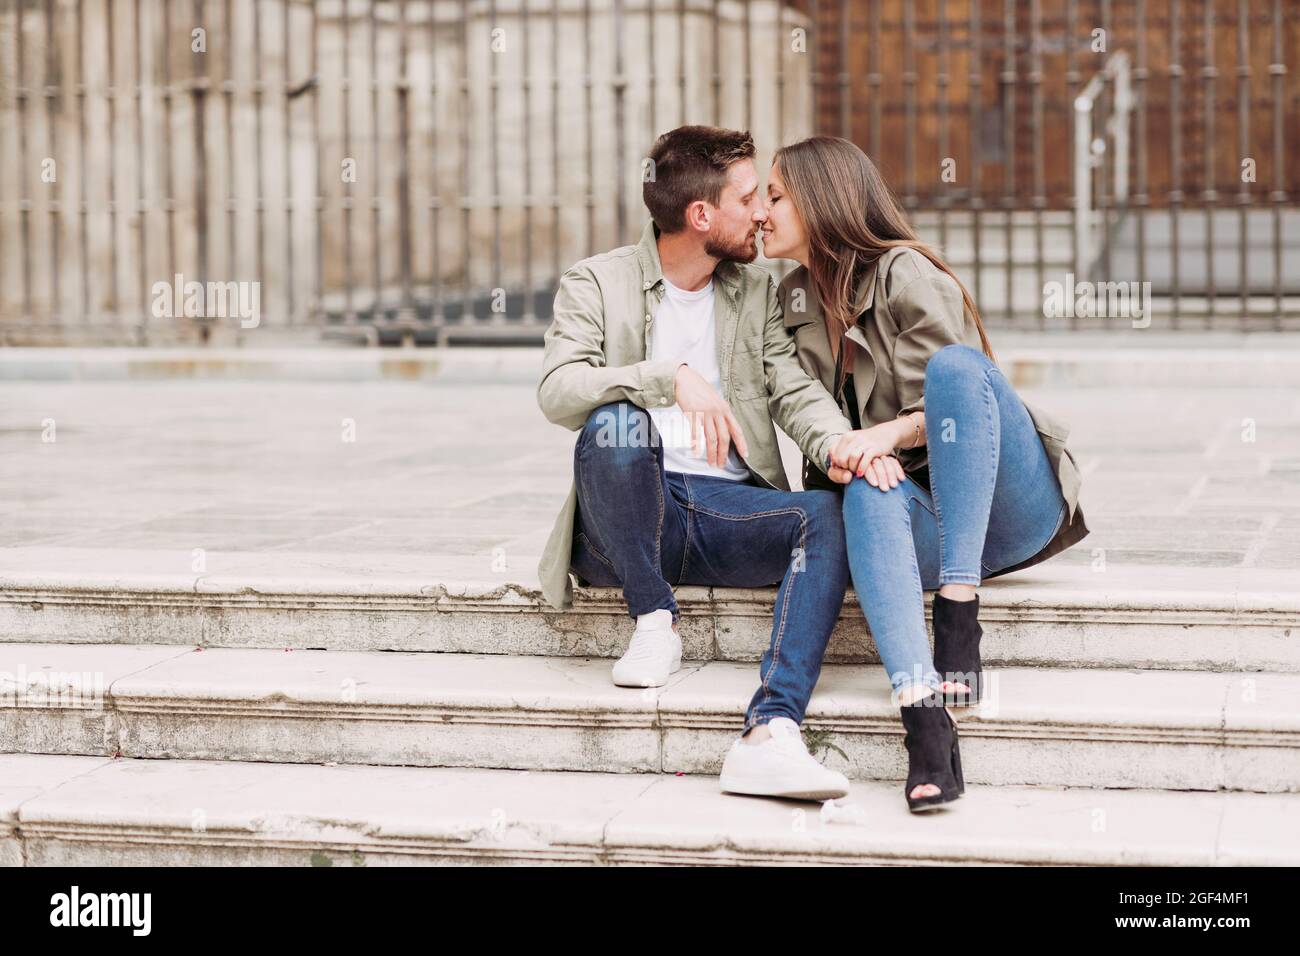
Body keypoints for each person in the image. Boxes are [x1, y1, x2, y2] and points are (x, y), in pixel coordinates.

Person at [760, 135, 1090, 812]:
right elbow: (804, 410)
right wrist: (855, 453)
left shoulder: (904, 272)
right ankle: (924, 720)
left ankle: (959, 613)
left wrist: (880, 434)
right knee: (866, 480)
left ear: (821, 201)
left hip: (1004, 505)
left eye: (775, 196)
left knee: (955, 368)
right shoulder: (790, 300)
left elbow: (956, 405)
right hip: (918, 520)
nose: (761, 212)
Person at [536, 126, 858, 800]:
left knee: (825, 514)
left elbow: (791, 388)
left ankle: (771, 728)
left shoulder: (757, 289)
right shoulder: (598, 281)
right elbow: (559, 390)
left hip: (724, 515)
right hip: (625, 522)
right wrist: (668, 378)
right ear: (702, 215)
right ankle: (655, 619)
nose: (764, 212)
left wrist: (840, 445)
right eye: (749, 198)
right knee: (616, 425)